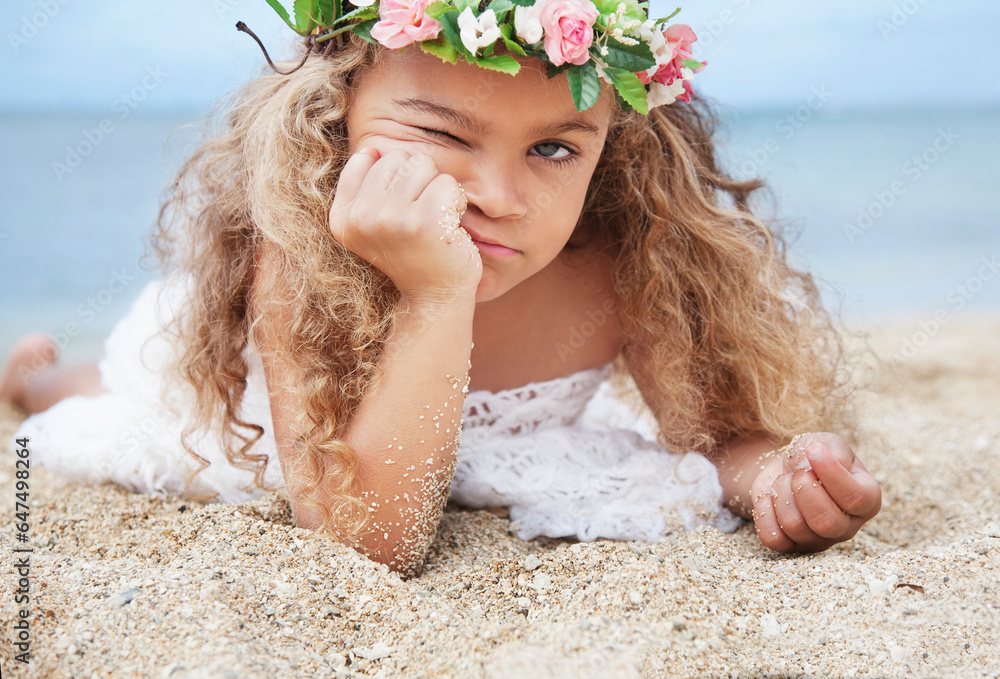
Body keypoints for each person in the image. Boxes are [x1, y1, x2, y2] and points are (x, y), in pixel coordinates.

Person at [1, 1, 881, 577]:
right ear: (331, 120)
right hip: (253, 408)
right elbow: (370, 538)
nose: (498, 196)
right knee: (115, 395)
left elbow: (716, 441)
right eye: (439, 133)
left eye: (554, 148)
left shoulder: (621, 265)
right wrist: (433, 294)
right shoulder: (296, 255)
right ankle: (28, 373)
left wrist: (773, 471)